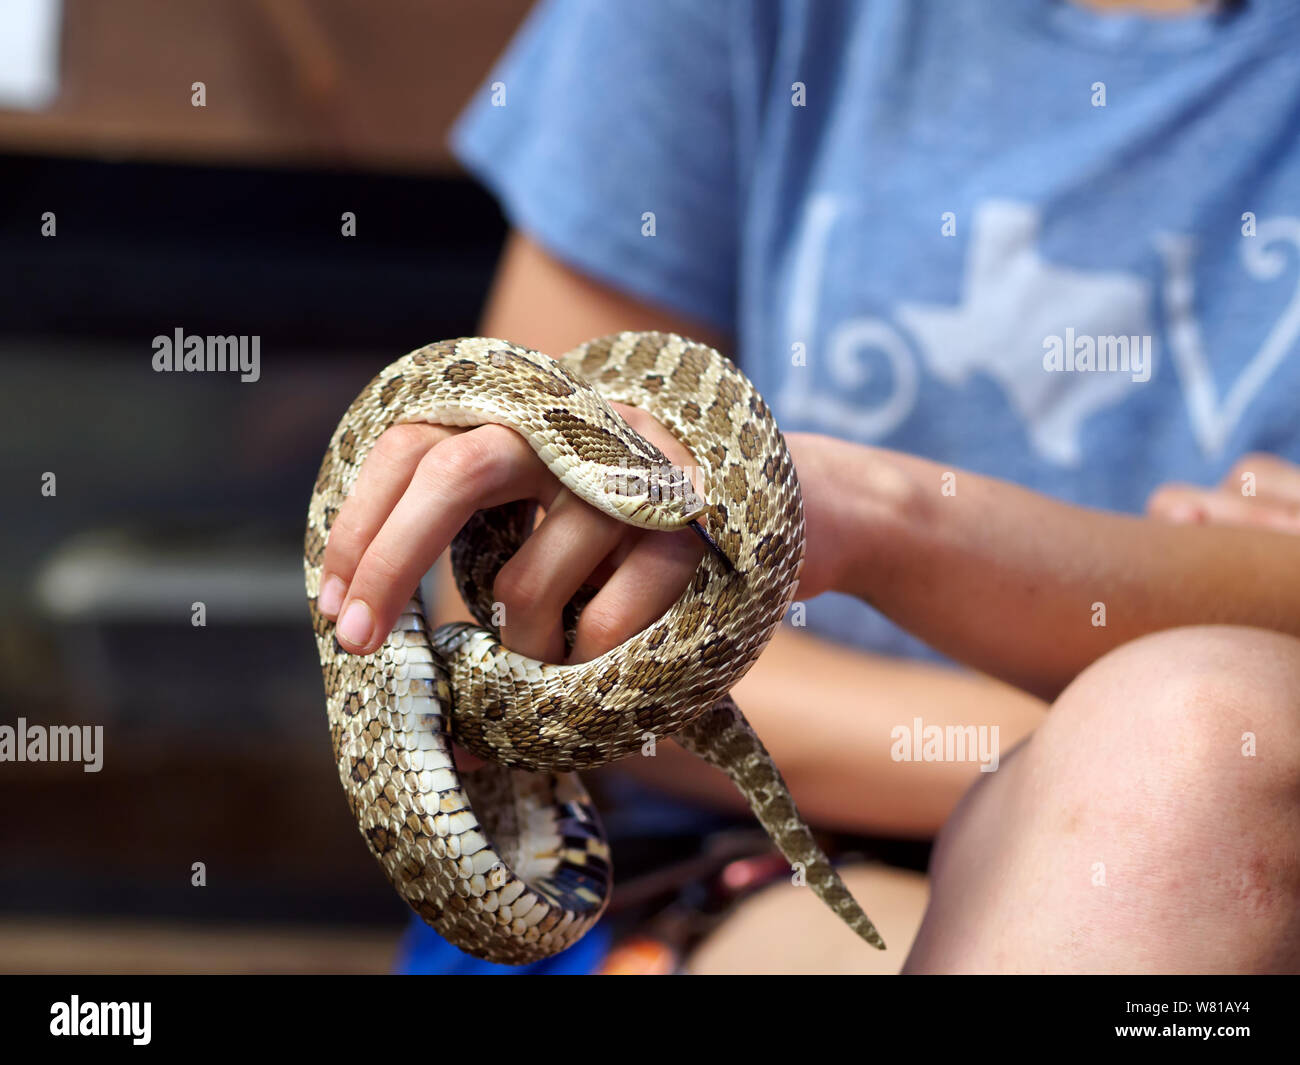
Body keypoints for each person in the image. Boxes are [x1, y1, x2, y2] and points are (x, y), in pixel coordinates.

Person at [316, 0, 1300, 973]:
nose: (668, 504)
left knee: (1192, 753)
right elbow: (517, 615)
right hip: (729, 846)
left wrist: (877, 516)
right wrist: (1094, 751)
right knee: (1190, 758)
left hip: (1197, 809)